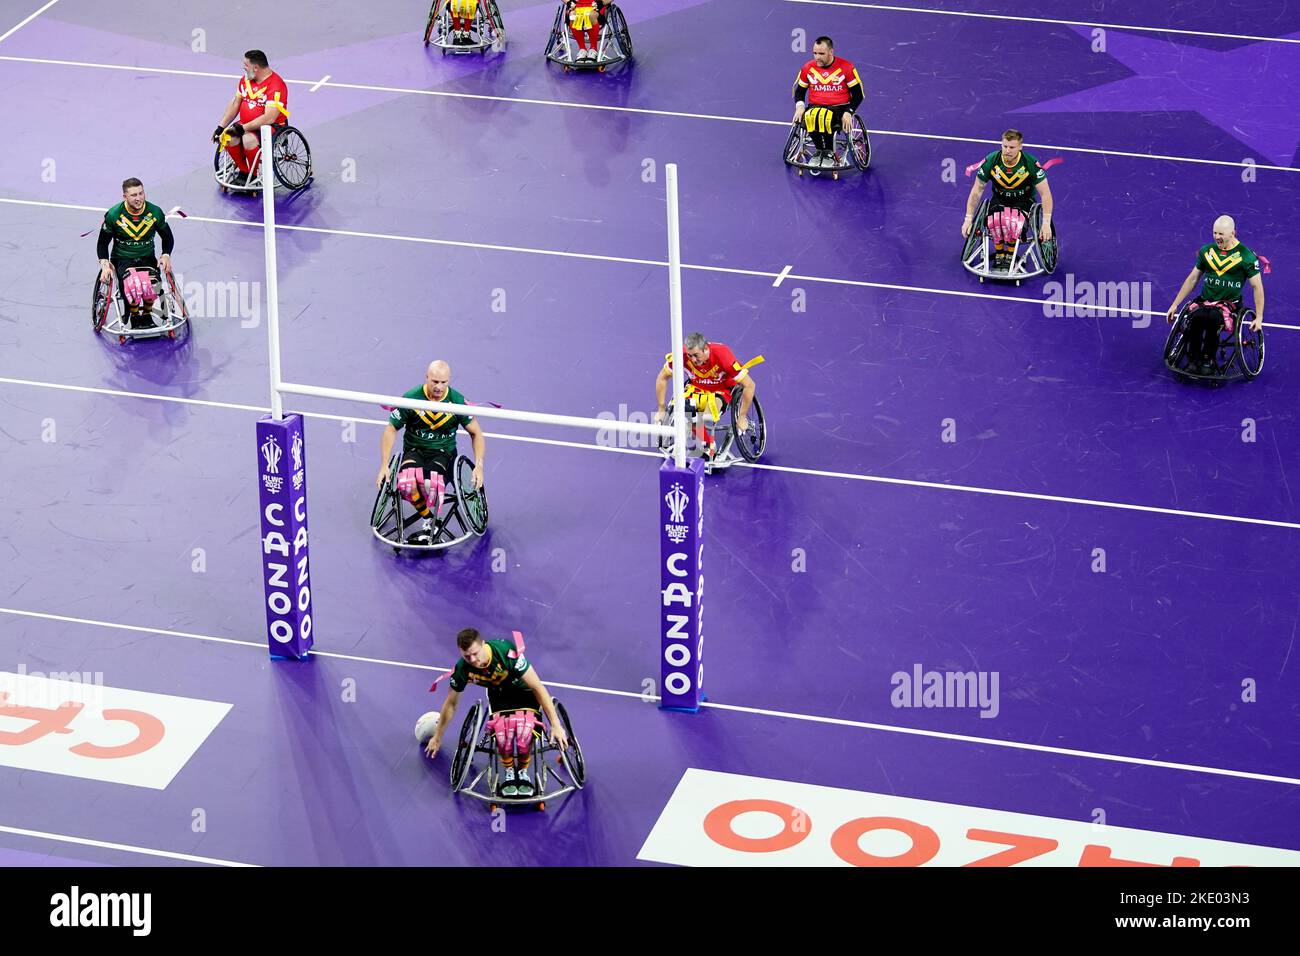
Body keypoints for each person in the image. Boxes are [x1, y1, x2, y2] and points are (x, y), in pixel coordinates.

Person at [425, 628, 569, 798]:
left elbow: (537, 687)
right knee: (503, 731)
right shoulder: (463, 668)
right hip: (499, 696)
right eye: (467, 656)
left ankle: (522, 771)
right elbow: (451, 704)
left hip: (525, 693)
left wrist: (556, 724)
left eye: (475, 654)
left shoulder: (505, 652)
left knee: (524, 729)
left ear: (483, 644)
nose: (473, 660)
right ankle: (509, 772)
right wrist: (437, 737)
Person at [377, 361, 486, 545]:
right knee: (407, 485)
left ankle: (429, 519)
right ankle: (430, 518)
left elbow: (477, 434)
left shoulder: (457, 402)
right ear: (426, 377)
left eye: (444, 382)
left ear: (449, 380)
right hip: (414, 451)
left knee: (431, 486)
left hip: (444, 453)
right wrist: (384, 465)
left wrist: (479, 466)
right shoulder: (411, 399)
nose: (439, 387)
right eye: (435, 381)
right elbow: (390, 429)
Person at [1166, 215, 1265, 372]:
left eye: (1221, 234)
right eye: (1215, 233)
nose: (1217, 237)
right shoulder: (1207, 251)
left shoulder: (1246, 256)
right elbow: (1192, 279)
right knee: (1196, 318)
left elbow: (1257, 287)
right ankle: (1193, 358)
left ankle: (1207, 360)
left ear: (1233, 233)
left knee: (1212, 319)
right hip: (1205, 301)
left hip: (1229, 304)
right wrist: (1174, 304)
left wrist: (1259, 318)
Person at [654, 332, 758, 459]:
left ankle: (703, 437)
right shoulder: (681, 356)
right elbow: (662, 378)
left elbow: (750, 385)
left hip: (721, 391)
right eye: (690, 355)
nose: (693, 360)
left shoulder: (723, 355)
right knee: (685, 411)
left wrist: (741, 417)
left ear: (706, 349)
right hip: (695, 390)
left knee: (707, 417)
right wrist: (661, 409)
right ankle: (708, 445)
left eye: (696, 355)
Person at [961, 129, 1054, 263]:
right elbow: (977, 190)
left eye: (1012, 147)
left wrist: (1046, 223)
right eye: (1005, 146)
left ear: (1020, 147)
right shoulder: (992, 160)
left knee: (1014, 222)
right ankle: (1000, 254)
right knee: (994, 221)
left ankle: (1010, 254)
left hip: (1024, 200)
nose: (1007, 151)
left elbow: (1046, 194)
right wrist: (968, 218)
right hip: (1000, 199)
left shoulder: (1030, 163)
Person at [96, 178, 174, 327]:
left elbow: (168, 238)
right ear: (125, 196)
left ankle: (146, 315)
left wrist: (166, 255)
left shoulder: (155, 212)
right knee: (132, 284)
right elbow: (102, 244)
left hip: (147, 257)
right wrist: (105, 266)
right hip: (122, 259)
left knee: (151, 283)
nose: (138, 198)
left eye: (141, 193)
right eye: (133, 195)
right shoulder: (114, 215)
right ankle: (135, 317)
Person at [211, 50, 289, 186]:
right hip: (245, 124)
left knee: (248, 139)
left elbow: (269, 118)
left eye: (246, 65)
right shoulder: (245, 80)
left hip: (271, 127)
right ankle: (244, 171)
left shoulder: (276, 85)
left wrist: (242, 128)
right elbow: (235, 104)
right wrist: (221, 127)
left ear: (256, 68)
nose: (244, 68)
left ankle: (253, 175)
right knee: (228, 136)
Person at [792, 36, 864, 168]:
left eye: (821, 54)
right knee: (811, 116)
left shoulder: (846, 68)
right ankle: (820, 151)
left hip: (839, 107)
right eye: (815, 53)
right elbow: (799, 91)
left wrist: (849, 112)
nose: (817, 57)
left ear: (831, 52)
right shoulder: (808, 68)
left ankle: (829, 152)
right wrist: (800, 106)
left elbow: (859, 95)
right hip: (815, 106)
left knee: (825, 117)